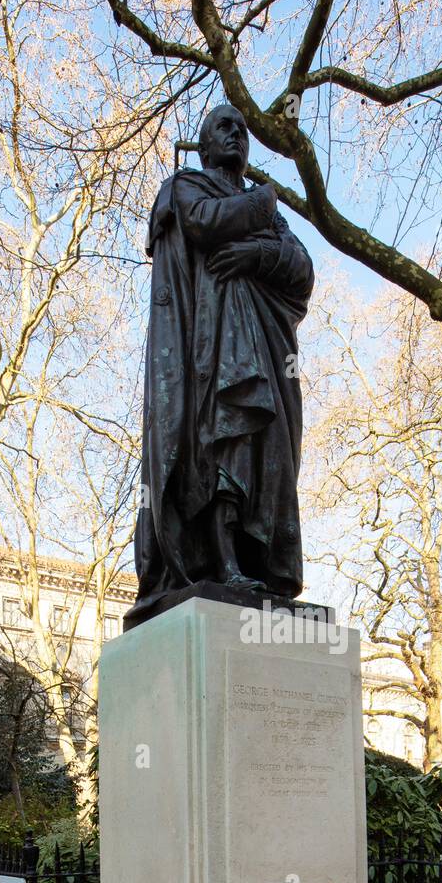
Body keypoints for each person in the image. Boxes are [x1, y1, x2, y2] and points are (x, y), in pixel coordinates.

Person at [130, 104, 315, 621]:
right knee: (223, 447)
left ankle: (260, 562)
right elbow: (202, 222)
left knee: (268, 452)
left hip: (269, 352)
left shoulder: (269, 212)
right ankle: (226, 563)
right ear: (204, 145)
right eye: (223, 128)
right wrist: (261, 207)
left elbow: (301, 268)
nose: (236, 135)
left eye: (243, 130)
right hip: (210, 352)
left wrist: (257, 256)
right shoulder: (187, 186)